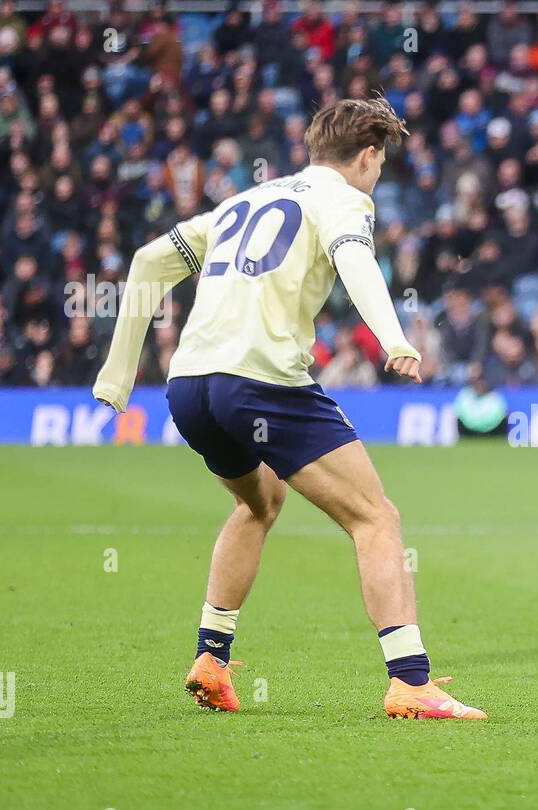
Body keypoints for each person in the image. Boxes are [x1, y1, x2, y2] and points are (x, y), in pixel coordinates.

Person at [93, 97, 485, 719]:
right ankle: (411, 683)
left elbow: (147, 262)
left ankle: (211, 659)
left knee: (259, 503)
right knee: (375, 518)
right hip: (261, 383)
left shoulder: (245, 200)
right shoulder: (343, 199)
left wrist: (118, 374)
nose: (377, 175)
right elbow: (357, 259)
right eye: (379, 163)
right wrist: (396, 340)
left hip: (190, 385)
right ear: (366, 156)